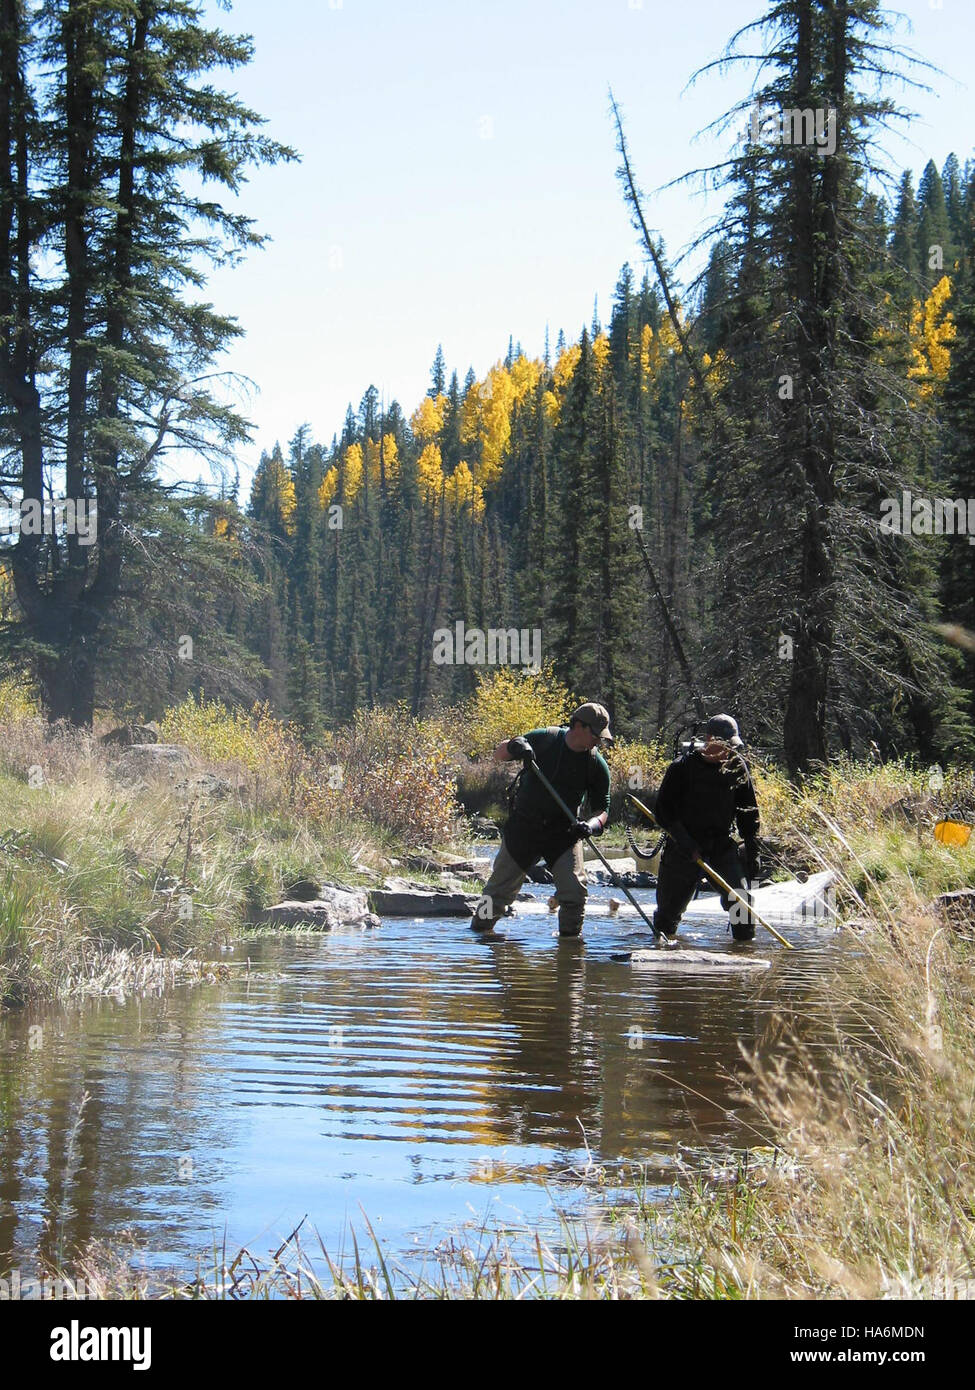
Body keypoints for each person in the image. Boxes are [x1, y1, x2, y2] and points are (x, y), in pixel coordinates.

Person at [471, 702, 613, 939]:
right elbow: (499, 753)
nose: (598, 741)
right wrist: (517, 745)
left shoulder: (596, 765)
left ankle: (569, 950)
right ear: (578, 726)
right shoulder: (545, 738)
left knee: (575, 894)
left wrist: (591, 825)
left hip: (564, 834)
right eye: (595, 735)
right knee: (495, 893)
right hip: (524, 828)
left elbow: (603, 810)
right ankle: (476, 934)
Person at [651, 714, 760, 941]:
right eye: (726, 745)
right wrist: (685, 841)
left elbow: (748, 812)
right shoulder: (681, 768)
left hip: (721, 847)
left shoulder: (737, 768)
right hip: (683, 848)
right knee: (667, 916)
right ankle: (662, 955)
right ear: (710, 739)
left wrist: (752, 848)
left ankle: (743, 950)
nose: (729, 750)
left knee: (742, 906)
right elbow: (663, 812)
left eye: (732, 745)